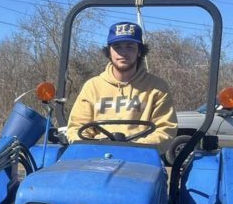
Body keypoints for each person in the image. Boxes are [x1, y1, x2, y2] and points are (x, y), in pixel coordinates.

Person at [65, 22, 176, 151]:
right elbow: (77, 128)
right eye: (117, 47)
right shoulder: (92, 87)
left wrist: (132, 147)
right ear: (109, 52)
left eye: (130, 47)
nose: (123, 53)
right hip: (98, 155)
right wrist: (97, 148)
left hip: (141, 156)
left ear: (139, 51)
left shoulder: (157, 88)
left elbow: (165, 130)